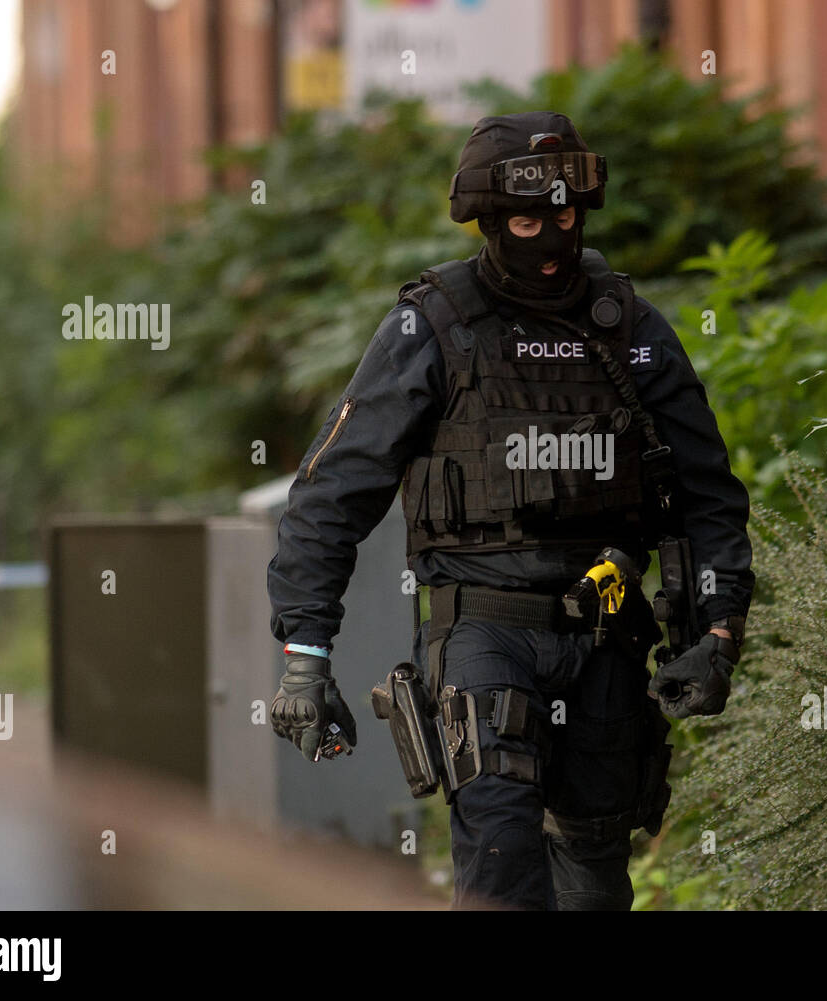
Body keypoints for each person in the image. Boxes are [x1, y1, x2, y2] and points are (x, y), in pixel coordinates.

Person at [267, 110, 754, 910]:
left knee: (595, 882)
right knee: (501, 866)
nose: (550, 238)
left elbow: (708, 492)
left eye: (564, 216)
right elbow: (332, 492)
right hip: (483, 634)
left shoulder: (629, 330)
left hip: (606, 632)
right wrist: (305, 656)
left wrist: (718, 632)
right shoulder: (434, 326)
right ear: (490, 221)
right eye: (528, 219)